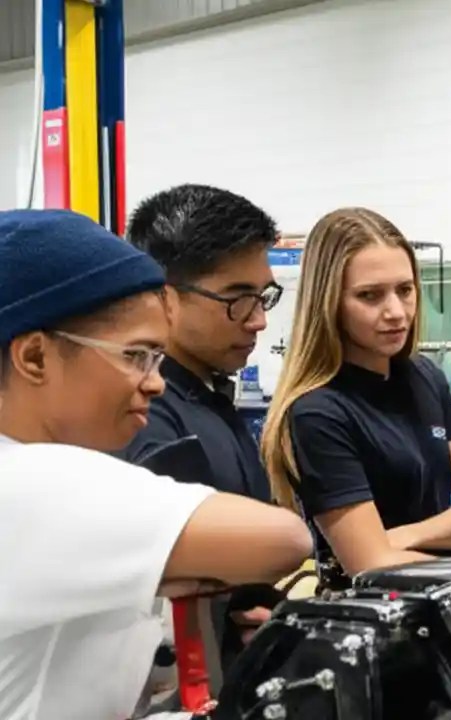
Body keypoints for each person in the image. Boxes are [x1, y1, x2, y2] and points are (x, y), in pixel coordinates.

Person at [0, 209, 313, 720]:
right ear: (34, 357)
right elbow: (282, 539)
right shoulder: (30, 481)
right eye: (136, 355)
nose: (155, 382)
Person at [260, 207, 451, 590]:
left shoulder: (425, 376)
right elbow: (370, 565)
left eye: (405, 290)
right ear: (329, 301)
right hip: (374, 619)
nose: (396, 312)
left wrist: (403, 537)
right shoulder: (317, 411)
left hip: (443, 601)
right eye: (370, 296)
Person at [122, 184, 284, 665]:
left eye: (263, 297)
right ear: (166, 296)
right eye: (237, 299)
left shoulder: (210, 397)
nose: (257, 321)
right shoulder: (144, 414)